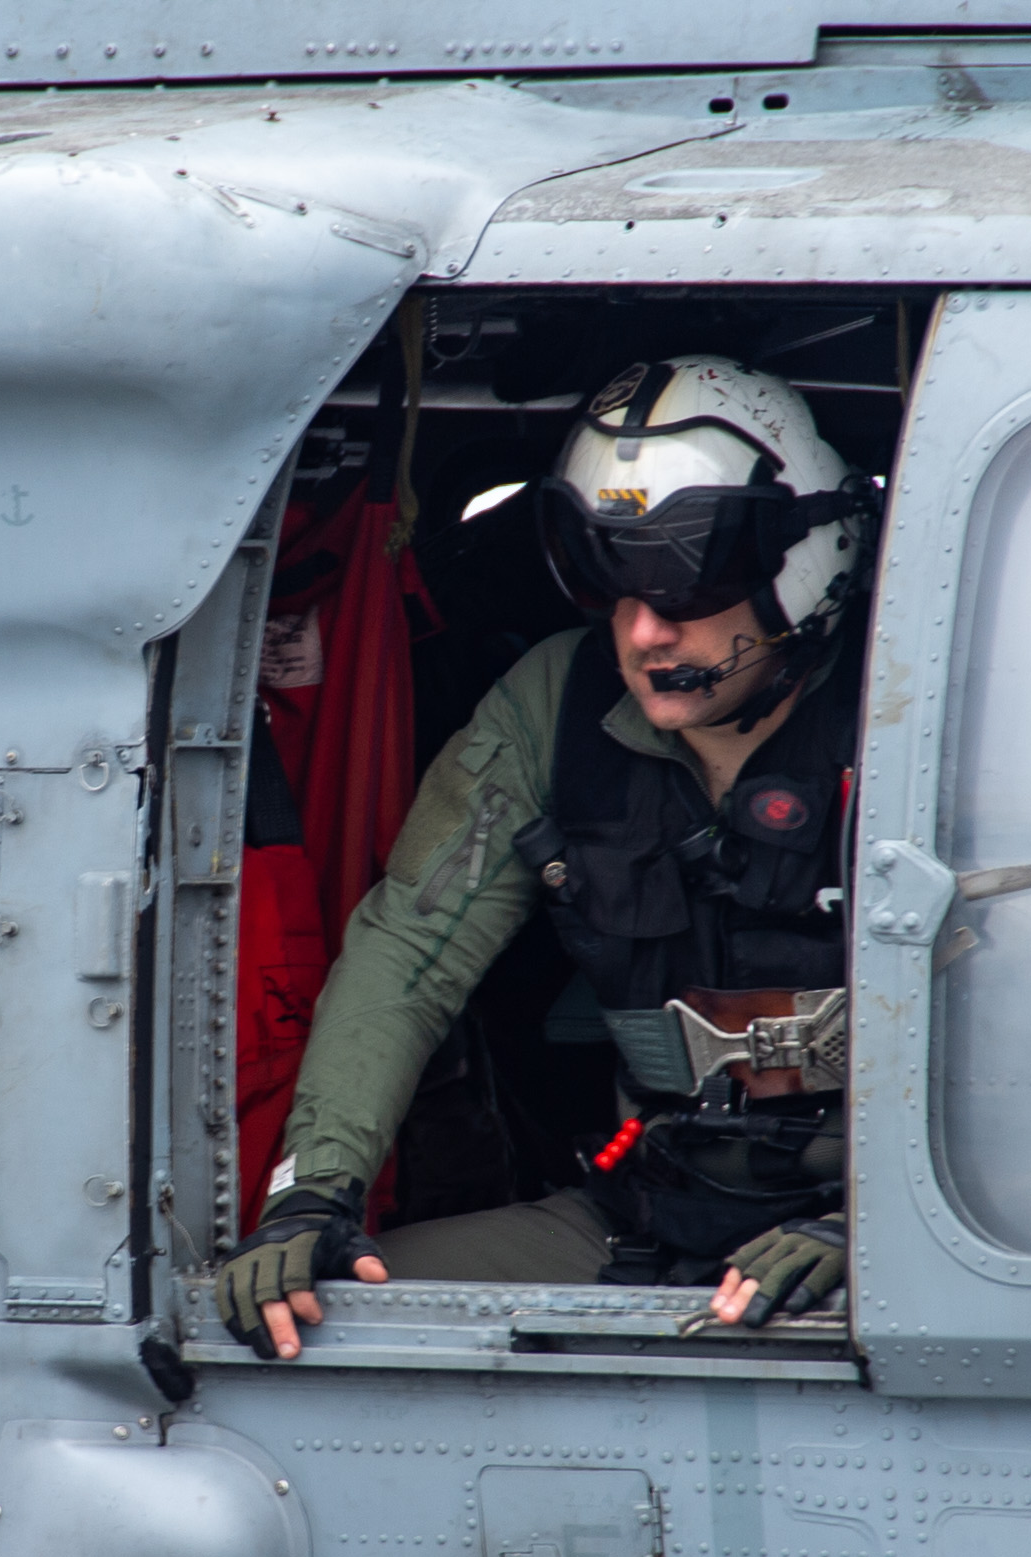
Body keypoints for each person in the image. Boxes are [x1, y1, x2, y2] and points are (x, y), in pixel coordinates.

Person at [216, 356, 875, 1359]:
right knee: (312, 1329)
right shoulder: (550, 709)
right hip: (640, 1218)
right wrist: (313, 1191)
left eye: (682, 586)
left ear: (798, 570)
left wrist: (872, 1229)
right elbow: (412, 947)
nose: (642, 633)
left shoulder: (905, 703)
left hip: (878, 1230)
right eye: (613, 587)